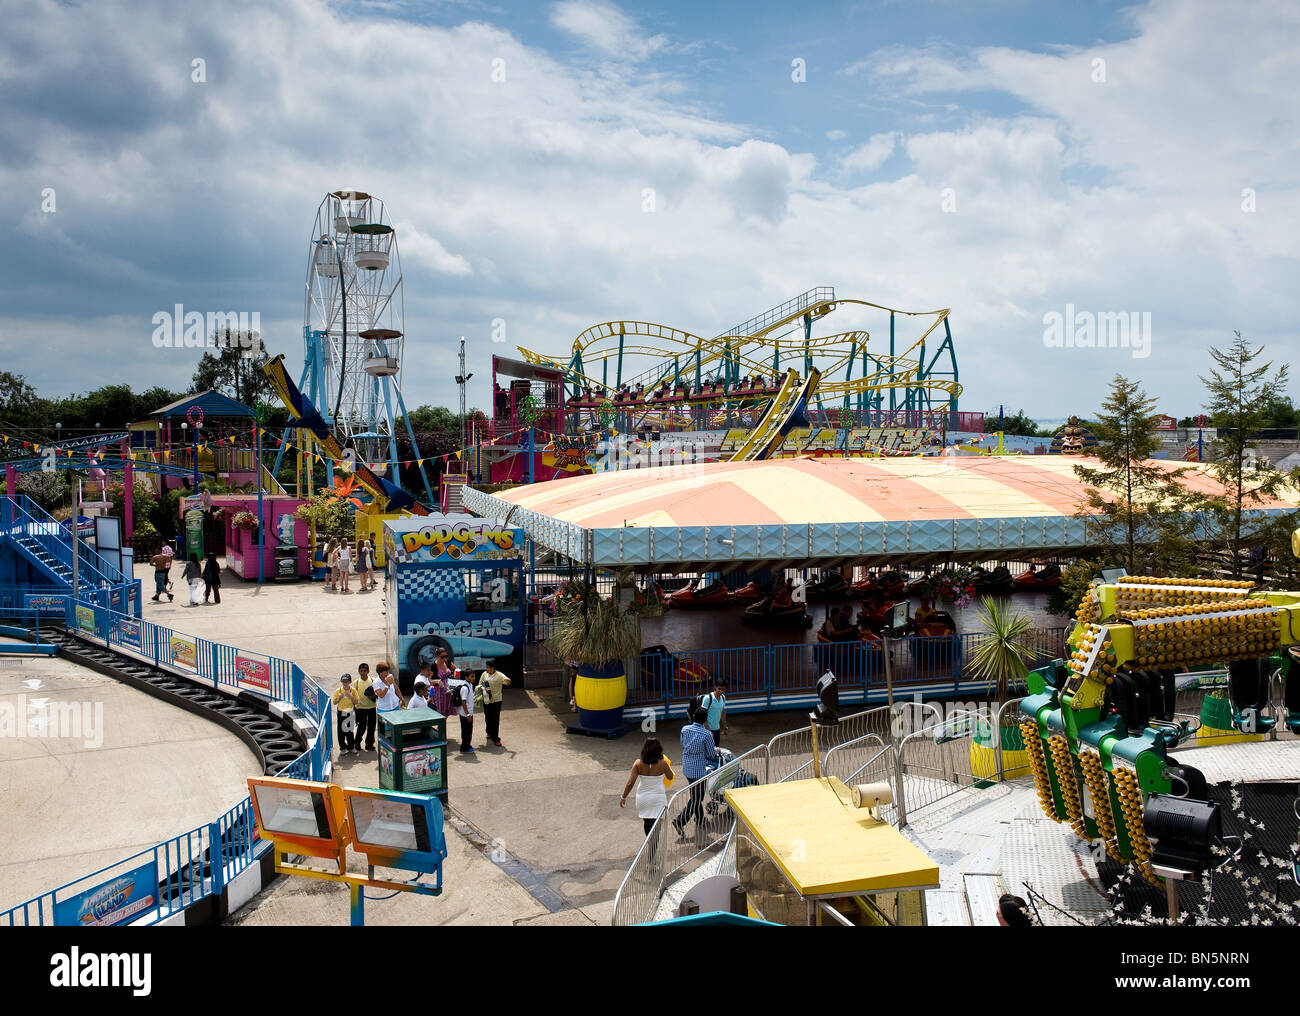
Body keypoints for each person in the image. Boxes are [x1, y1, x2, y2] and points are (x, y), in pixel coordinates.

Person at [672, 708, 718, 840]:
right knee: (697, 798)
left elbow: (683, 744)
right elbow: (711, 754)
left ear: (693, 716)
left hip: (687, 768)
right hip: (699, 771)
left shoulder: (685, 729)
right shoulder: (707, 734)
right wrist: (716, 751)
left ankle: (700, 819)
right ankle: (680, 821)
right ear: (705, 720)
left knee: (695, 795)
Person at [620, 738, 674, 836]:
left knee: (647, 824)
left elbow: (630, 783)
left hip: (643, 798)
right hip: (658, 798)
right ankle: (654, 847)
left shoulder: (638, 763)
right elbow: (670, 777)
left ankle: (650, 845)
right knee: (657, 826)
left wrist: (623, 797)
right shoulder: (663, 763)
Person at [476, 659, 512, 747]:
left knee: (495, 719)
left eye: (488, 667)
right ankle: (489, 732)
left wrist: (508, 681)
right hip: (486, 700)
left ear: (493, 668)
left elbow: (507, 682)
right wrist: (482, 690)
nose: (486, 669)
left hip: (496, 701)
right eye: (486, 667)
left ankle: (496, 739)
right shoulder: (484, 674)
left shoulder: (499, 675)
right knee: (488, 717)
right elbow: (479, 684)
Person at [447, 665, 476, 753]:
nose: (474, 678)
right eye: (472, 676)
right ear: (466, 677)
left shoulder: (469, 685)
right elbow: (463, 702)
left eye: (474, 676)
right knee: (466, 732)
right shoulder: (464, 688)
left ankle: (468, 745)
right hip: (465, 714)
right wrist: (467, 714)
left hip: (469, 712)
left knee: (469, 731)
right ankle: (464, 748)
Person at [352, 662, 377, 751]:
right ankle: (357, 743)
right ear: (359, 672)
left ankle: (369, 744)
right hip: (360, 708)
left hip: (372, 708)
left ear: (368, 671)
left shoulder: (373, 680)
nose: (362, 673)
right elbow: (353, 695)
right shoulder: (356, 683)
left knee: (371, 727)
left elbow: (377, 692)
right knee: (361, 727)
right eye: (361, 671)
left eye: (364, 671)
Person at [332, 674, 358, 753]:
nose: (345, 683)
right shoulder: (338, 691)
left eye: (346, 681)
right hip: (341, 712)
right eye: (343, 681)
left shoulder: (353, 691)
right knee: (341, 731)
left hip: (350, 712)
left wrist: (351, 696)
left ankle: (351, 746)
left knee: (350, 730)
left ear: (350, 682)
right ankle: (342, 748)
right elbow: (334, 702)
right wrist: (339, 698)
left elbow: (356, 702)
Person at [700, 679, 728, 747]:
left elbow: (722, 713)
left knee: (716, 750)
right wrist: (708, 731)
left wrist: (725, 727)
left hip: (716, 729)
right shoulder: (708, 698)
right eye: (719, 689)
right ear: (715, 687)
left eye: (723, 689)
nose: (721, 691)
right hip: (706, 730)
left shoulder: (723, 698)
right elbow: (702, 716)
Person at [431, 649, 455, 717]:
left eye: (446, 656)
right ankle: (440, 727)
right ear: (437, 656)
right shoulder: (433, 666)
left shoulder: (447, 662)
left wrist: (454, 677)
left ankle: (442, 727)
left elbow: (455, 669)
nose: (444, 658)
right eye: (442, 657)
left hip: (448, 690)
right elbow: (428, 680)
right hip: (439, 692)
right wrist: (437, 681)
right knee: (440, 712)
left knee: (447, 711)